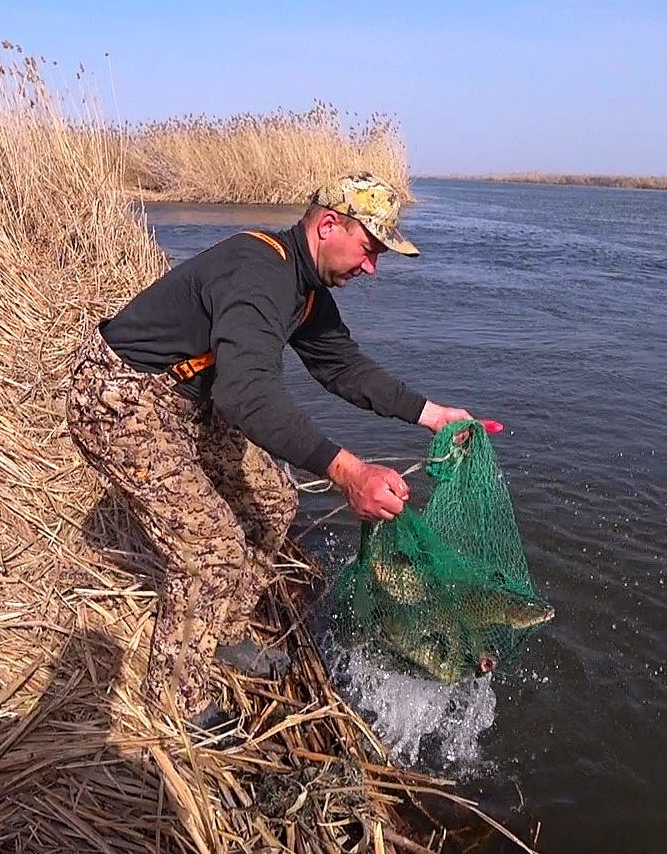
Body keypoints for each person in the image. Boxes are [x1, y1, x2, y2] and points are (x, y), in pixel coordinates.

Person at [66, 172, 476, 733]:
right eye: (369, 248)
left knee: (274, 502)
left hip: (187, 399)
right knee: (210, 545)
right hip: (121, 397)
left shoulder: (306, 289)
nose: (372, 266)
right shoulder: (258, 273)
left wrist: (430, 414)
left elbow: (342, 367)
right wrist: (348, 470)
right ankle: (176, 699)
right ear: (328, 225)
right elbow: (245, 393)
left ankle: (225, 630)